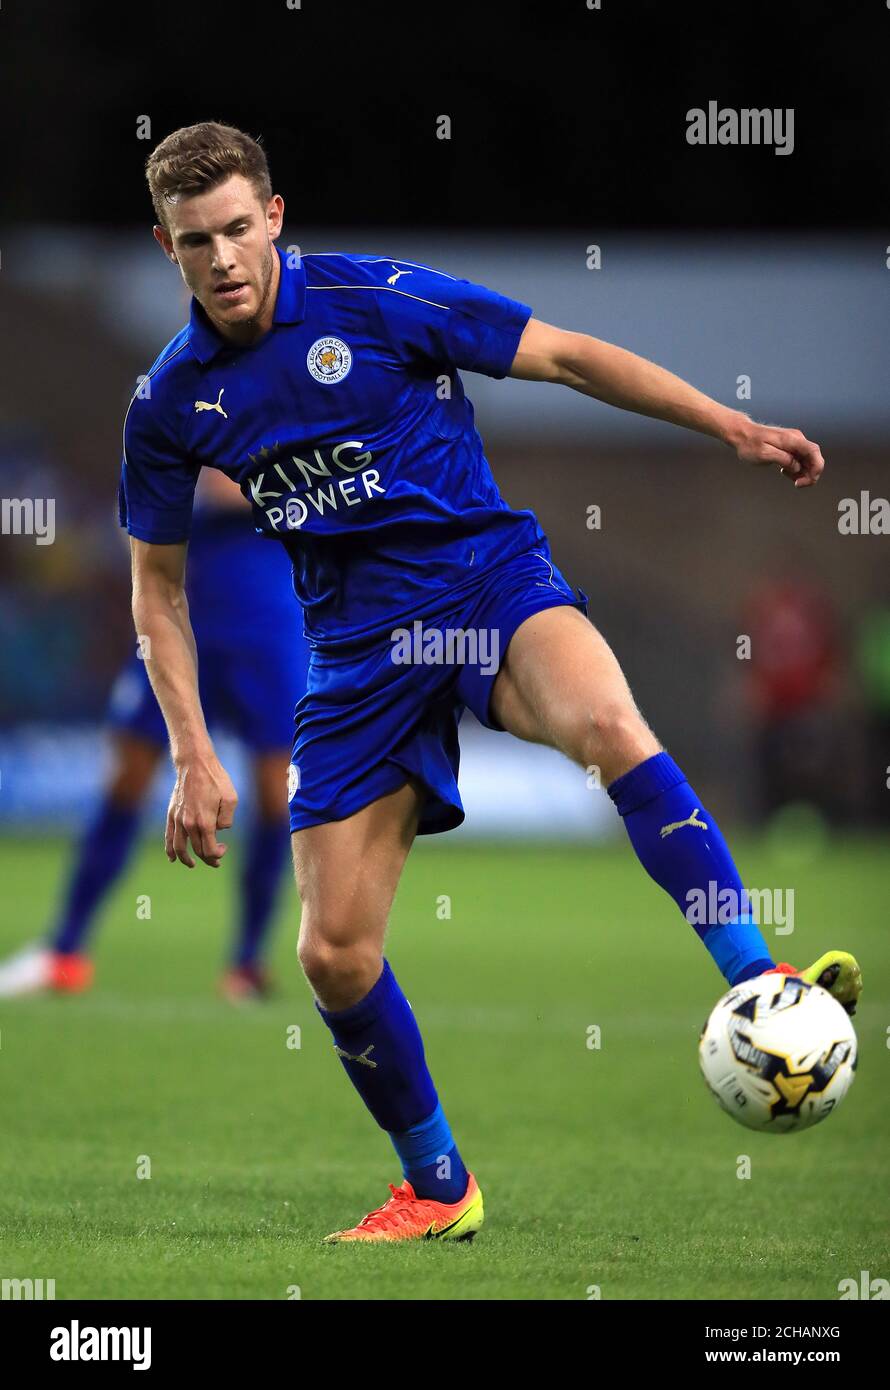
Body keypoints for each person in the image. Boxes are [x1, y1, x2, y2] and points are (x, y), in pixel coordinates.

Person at [119, 120, 862, 1244]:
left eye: (235, 229)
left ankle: (760, 979)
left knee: (611, 725)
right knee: (330, 955)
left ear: (273, 217)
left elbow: (561, 353)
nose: (221, 259)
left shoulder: (375, 302)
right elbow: (156, 590)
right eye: (193, 242)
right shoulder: (170, 403)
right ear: (165, 248)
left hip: (485, 589)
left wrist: (725, 422)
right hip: (356, 659)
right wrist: (191, 750)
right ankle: (437, 1184)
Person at [0, 470, 309, 1002]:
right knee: (126, 776)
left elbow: (279, 490)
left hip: (267, 625)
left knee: (275, 791)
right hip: (177, 620)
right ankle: (65, 949)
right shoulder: (166, 397)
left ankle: (247, 963)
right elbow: (138, 507)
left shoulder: (284, 399)